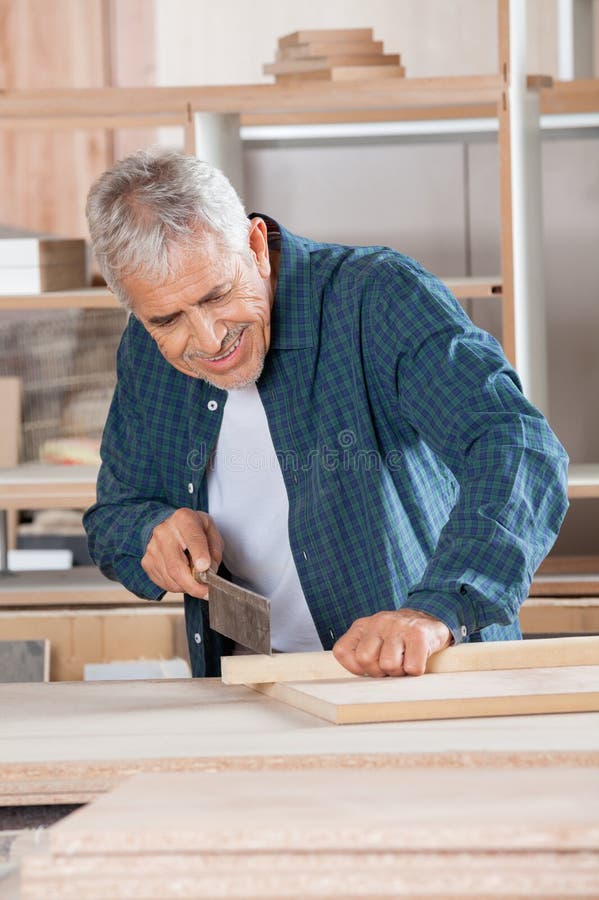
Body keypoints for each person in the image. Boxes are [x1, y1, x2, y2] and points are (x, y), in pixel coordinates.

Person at [83, 150, 569, 679]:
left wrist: (435, 609)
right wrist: (150, 532)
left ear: (255, 248)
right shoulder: (144, 351)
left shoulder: (378, 298)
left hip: (425, 674)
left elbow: (515, 445)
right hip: (256, 684)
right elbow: (114, 513)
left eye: (218, 295)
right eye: (168, 320)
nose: (208, 338)